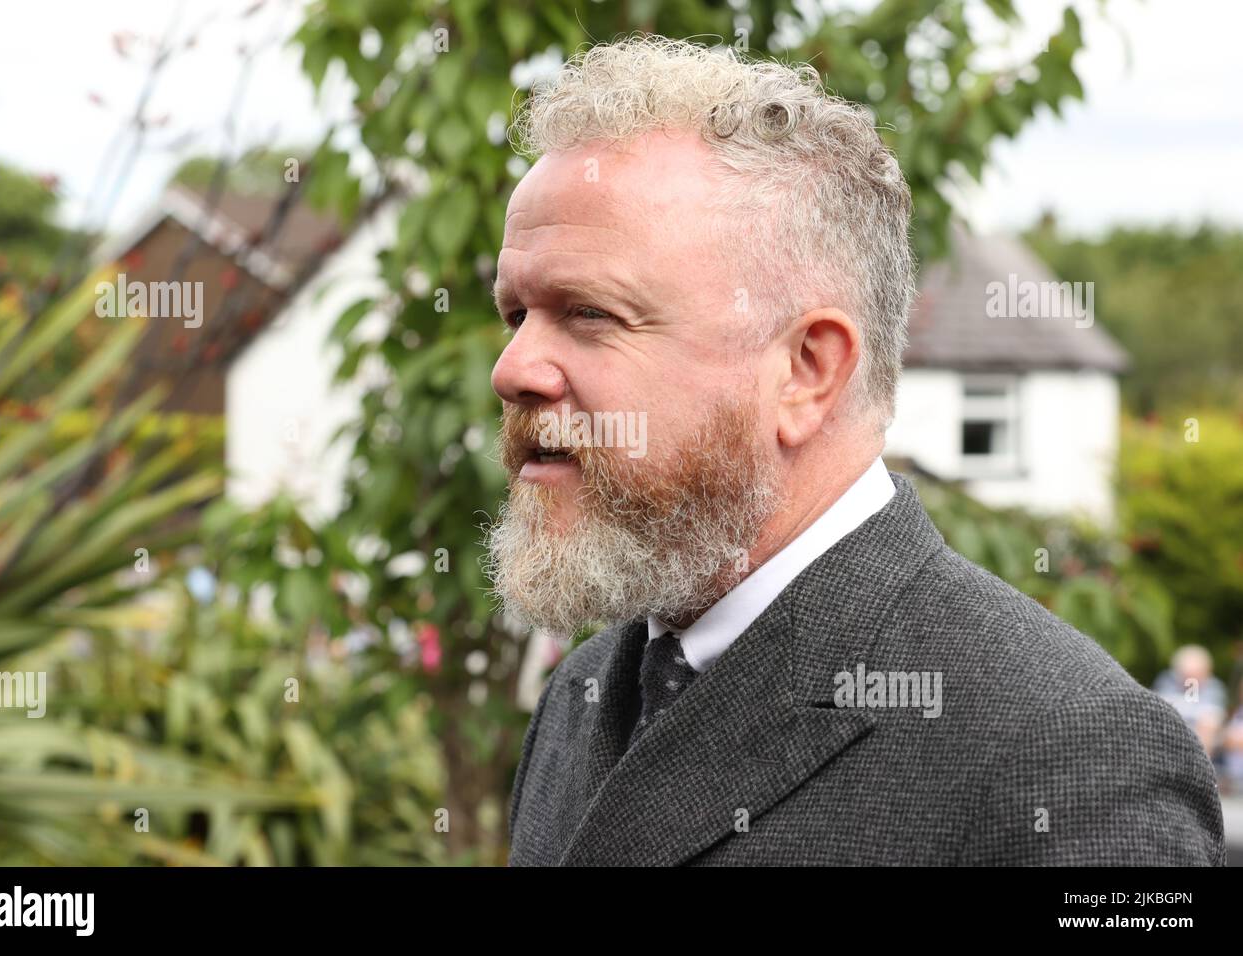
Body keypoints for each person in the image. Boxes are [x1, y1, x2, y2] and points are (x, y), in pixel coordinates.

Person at [485, 36, 1224, 866]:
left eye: (589, 314)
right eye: (517, 315)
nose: (511, 370)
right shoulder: (584, 693)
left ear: (807, 371)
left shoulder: (1068, 757)